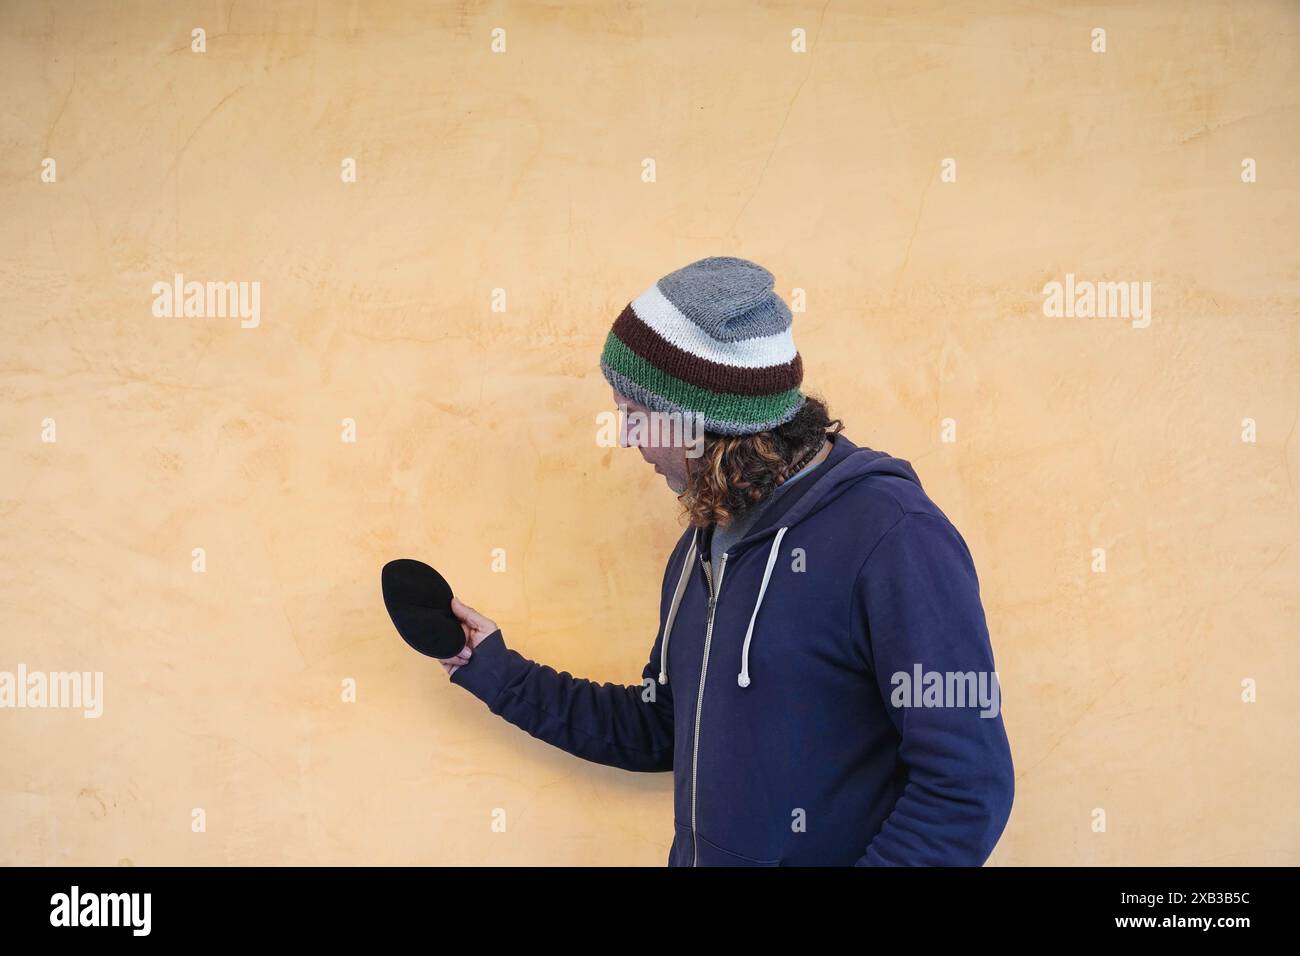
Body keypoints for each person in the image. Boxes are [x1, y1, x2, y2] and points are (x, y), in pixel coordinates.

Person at [443, 255, 1014, 866]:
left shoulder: (894, 537)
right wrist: (495, 669)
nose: (625, 437)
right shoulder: (703, 544)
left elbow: (966, 787)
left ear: (703, 423)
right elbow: (660, 726)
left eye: (635, 414)